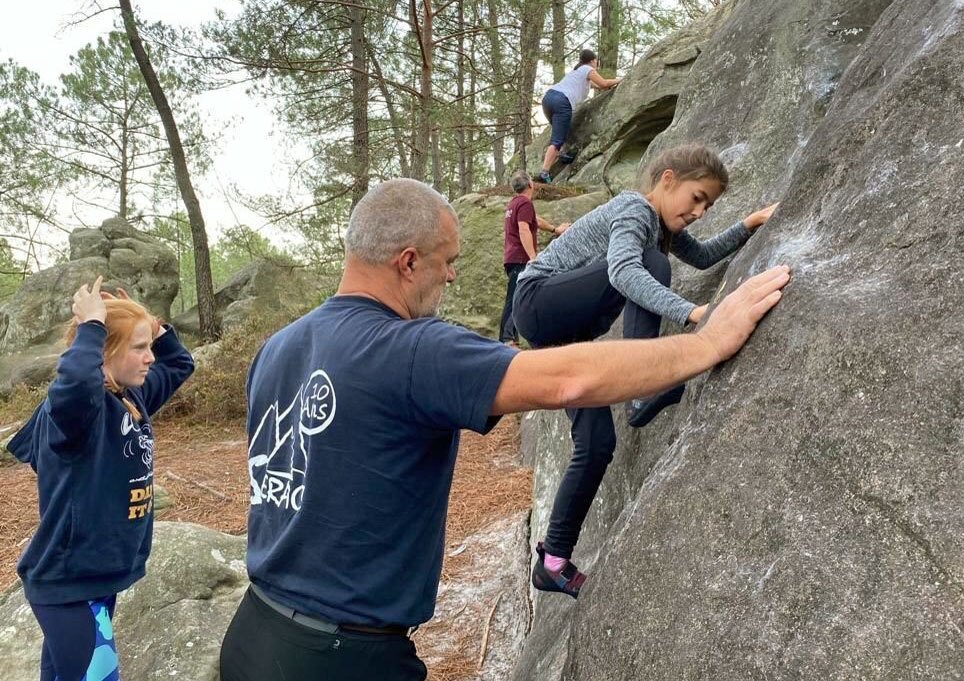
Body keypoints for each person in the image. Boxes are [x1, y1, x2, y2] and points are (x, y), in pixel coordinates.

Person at [218, 178, 789, 680]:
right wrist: (707, 341)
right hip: (340, 657)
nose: (452, 275)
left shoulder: (278, 349)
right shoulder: (410, 348)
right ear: (408, 262)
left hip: (254, 631)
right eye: (447, 261)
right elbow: (568, 379)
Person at [512, 144, 778, 597]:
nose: (699, 211)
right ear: (667, 179)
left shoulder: (661, 226)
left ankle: (553, 560)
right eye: (696, 198)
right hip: (538, 301)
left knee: (597, 442)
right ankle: (642, 389)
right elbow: (622, 273)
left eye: (708, 205)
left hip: (561, 337)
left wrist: (749, 224)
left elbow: (703, 255)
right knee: (648, 263)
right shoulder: (635, 208)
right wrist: (694, 314)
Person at [7, 276, 195, 681]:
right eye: (139, 348)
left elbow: (180, 364)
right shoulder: (77, 415)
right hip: (69, 582)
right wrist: (92, 326)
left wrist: (152, 326)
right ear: (105, 353)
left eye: (149, 347)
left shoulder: (132, 396)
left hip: (96, 577)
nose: (150, 358)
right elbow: (75, 382)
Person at [500, 170, 569, 346]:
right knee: (517, 297)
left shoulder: (514, 203)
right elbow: (523, 228)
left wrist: (555, 229)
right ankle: (508, 339)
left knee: (518, 295)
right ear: (531, 184)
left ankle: (510, 338)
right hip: (521, 259)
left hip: (512, 257)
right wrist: (533, 257)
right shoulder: (525, 203)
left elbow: (534, 220)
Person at [537, 48, 621, 184]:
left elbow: (599, 86)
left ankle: (563, 154)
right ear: (593, 61)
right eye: (596, 61)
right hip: (562, 101)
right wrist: (620, 80)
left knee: (562, 132)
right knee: (557, 140)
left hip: (548, 98)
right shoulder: (587, 69)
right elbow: (603, 83)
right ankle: (544, 172)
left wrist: (608, 85)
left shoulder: (577, 72)